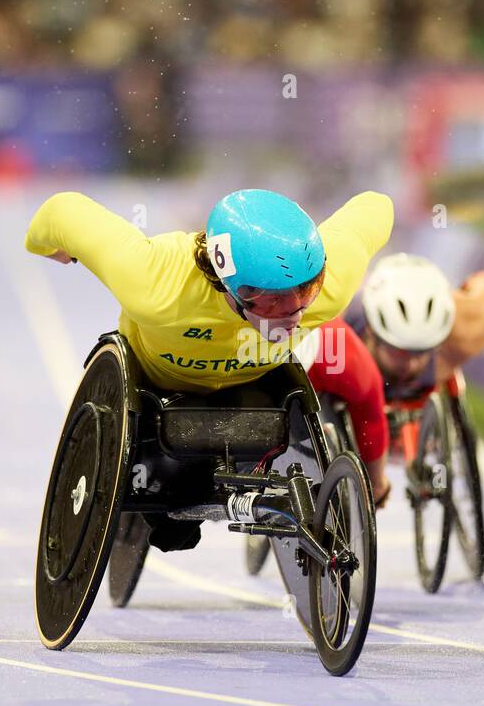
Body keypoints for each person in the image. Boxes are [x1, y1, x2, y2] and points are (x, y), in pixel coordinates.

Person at [26, 187, 393, 548]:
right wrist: (44, 245)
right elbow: (62, 210)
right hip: (157, 389)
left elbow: (377, 206)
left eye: (306, 290)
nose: (293, 313)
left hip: (253, 385)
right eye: (272, 301)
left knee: (211, 476)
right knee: (172, 511)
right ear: (229, 286)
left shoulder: (332, 283)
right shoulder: (154, 282)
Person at [352, 253, 484, 402]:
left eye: (421, 352)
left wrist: (480, 286)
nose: (411, 365)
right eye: (400, 352)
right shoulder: (336, 329)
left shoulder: (465, 331)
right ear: (371, 331)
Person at [294, 318, 391, 505]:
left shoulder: (335, 349)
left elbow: (371, 412)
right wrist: (377, 485)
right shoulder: (336, 349)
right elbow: (372, 414)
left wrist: (376, 482)